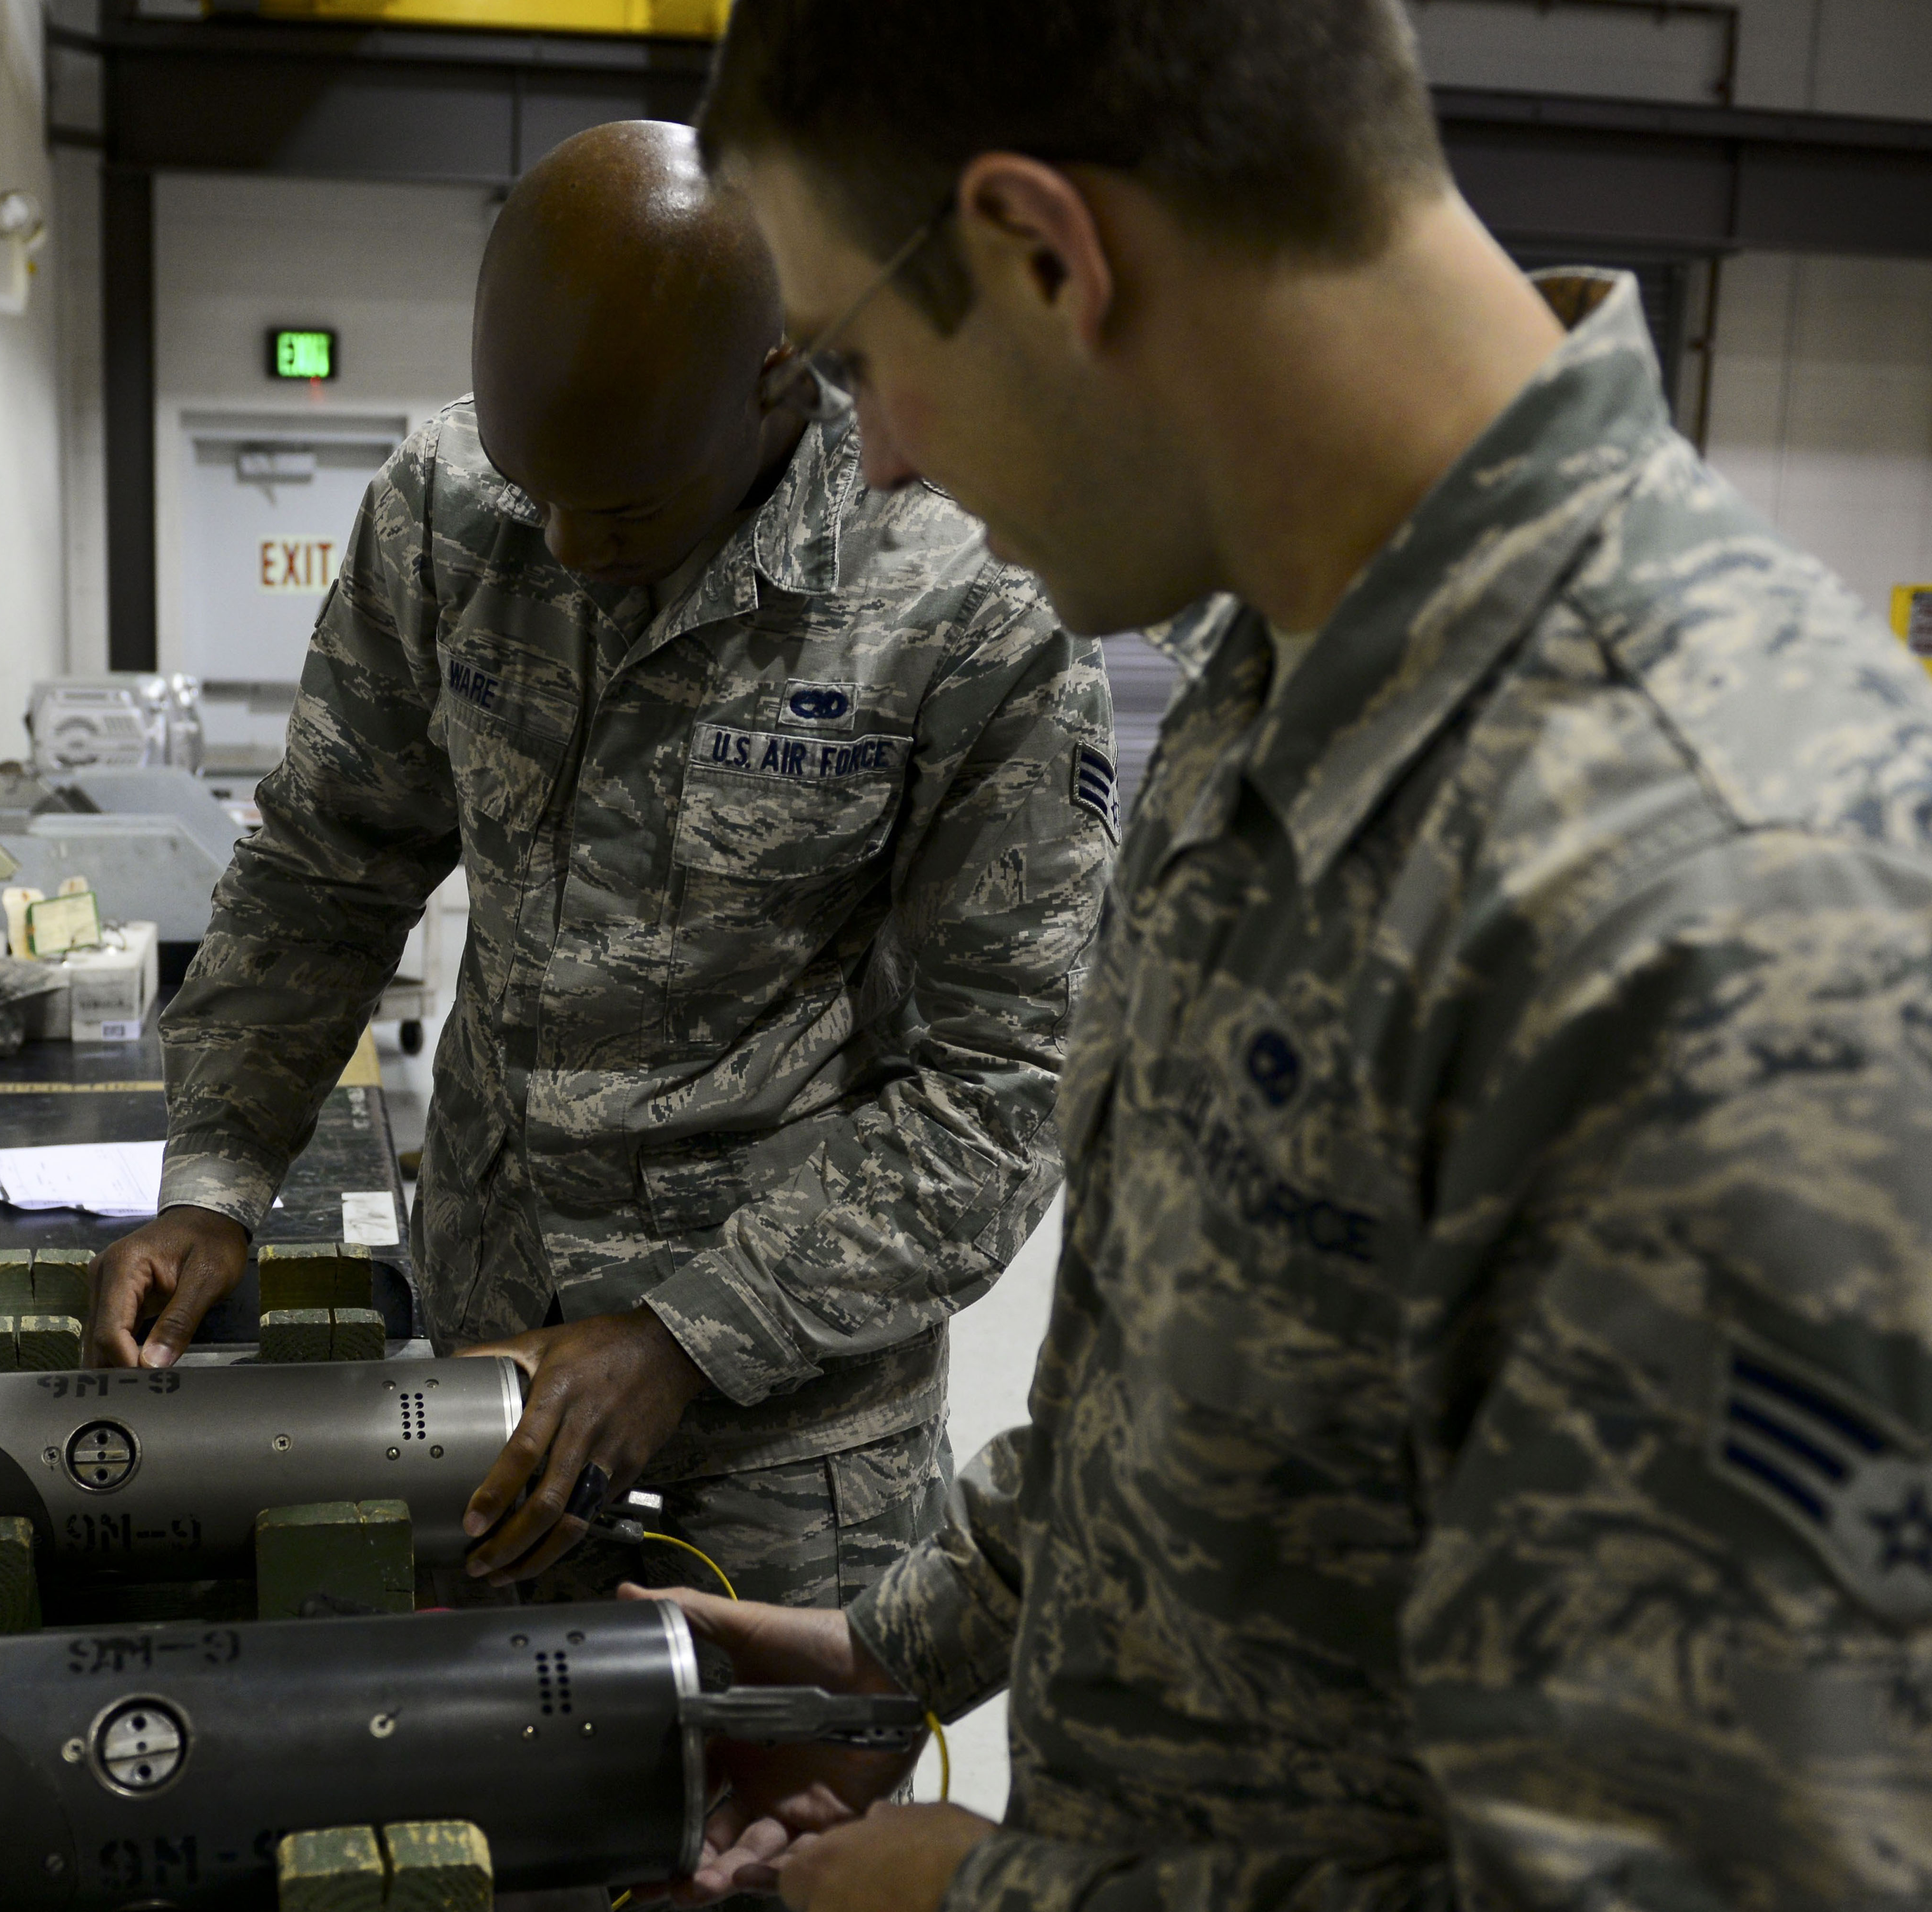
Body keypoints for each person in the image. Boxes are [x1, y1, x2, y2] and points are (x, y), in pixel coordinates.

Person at [647, 0, 1932, 1906]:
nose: (890, 463)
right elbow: (1211, 1344)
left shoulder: (1718, 919)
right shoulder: (1287, 660)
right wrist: (900, 1637)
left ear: (1040, 252)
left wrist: (968, 1897)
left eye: (858, 363)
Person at [84, 120, 1117, 1606]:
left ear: (777, 379)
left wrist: (688, 1336)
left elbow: (1003, 1089)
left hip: (791, 1449)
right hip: (489, 1391)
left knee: (771, 1838)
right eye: (535, 487)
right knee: (484, 1808)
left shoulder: (971, 602)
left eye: (619, 507)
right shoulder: (451, 501)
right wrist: (217, 1177)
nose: (562, 547)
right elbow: (328, 864)